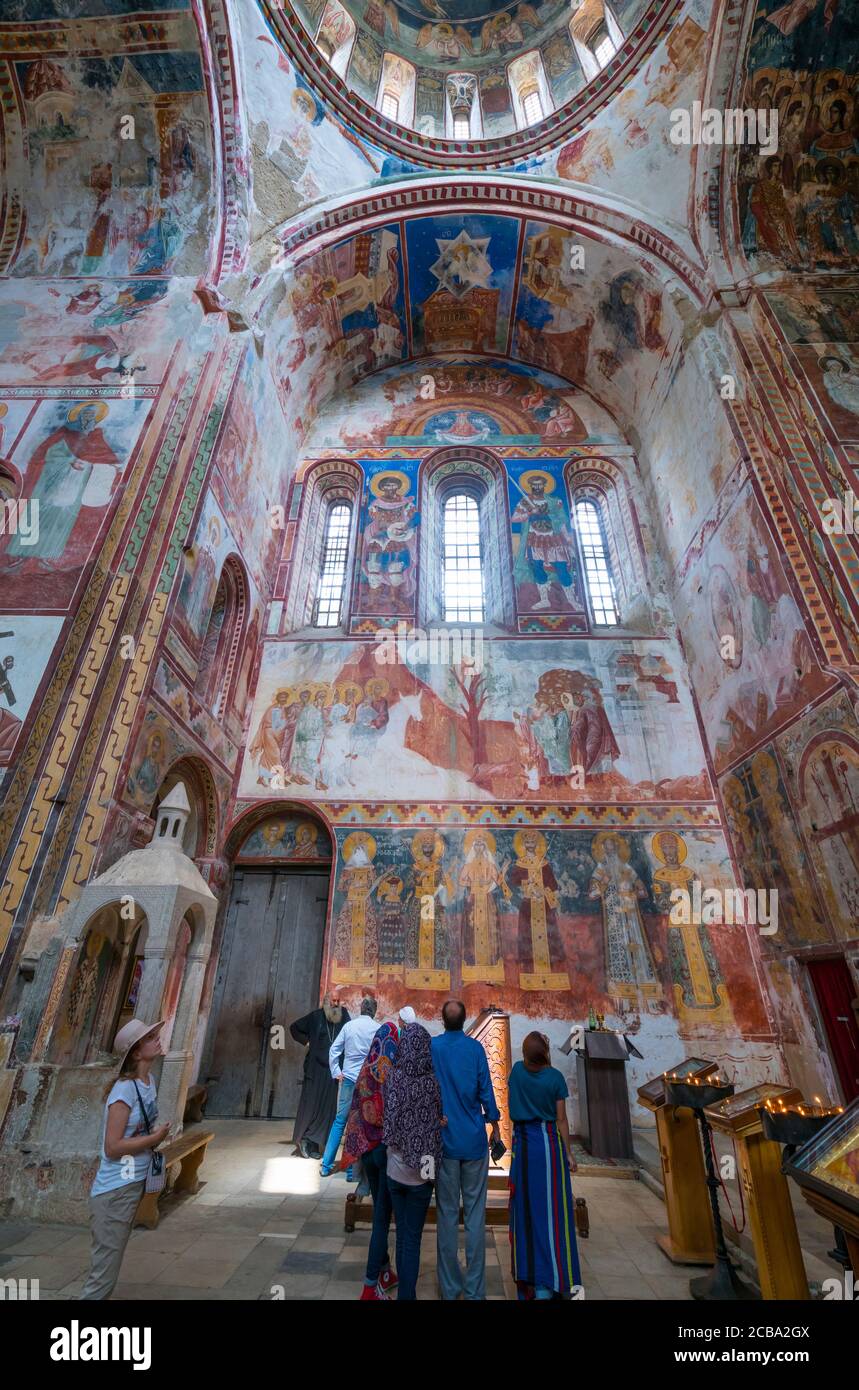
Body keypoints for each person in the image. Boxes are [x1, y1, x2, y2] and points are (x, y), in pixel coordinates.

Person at [79, 1018, 169, 1301]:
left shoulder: (148, 1081)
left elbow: (138, 1130)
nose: (157, 1039)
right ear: (136, 1052)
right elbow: (113, 1146)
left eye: (155, 1035)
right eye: (149, 1038)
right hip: (114, 1189)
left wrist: (153, 1135)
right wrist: (153, 1140)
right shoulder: (124, 1091)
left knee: (110, 1262)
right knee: (103, 1274)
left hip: (131, 1184)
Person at [340, 1005, 415, 1300]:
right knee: (383, 1218)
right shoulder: (394, 1076)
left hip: (367, 1149)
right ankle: (370, 1285)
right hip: (384, 1150)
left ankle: (384, 1270)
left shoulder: (367, 1073)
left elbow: (356, 1112)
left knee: (380, 1211)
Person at [431, 1000, 501, 1300]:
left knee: (446, 1215)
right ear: (464, 1021)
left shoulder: (433, 1048)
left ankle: (449, 1288)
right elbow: (486, 1090)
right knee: (475, 1217)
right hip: (473, 1141)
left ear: (443, 1021)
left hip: (445, 1142)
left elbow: (426, 1087)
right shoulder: (474, 1050)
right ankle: (474, 1291)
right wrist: (495, 1126)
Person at [508, 1031, 581, 1300]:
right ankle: (554, 1279)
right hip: (548, 1145)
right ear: (546, 1054)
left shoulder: (516, 1071)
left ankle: (531, 1279)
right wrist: (569, 1154)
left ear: (525, 1055)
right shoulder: (554, 1078)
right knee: (554, 1213)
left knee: (526, 1212)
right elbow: (562, 1120)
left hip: (523, 1147)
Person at [382, 1022, 445, 1301]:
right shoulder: (432, 1082)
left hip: (395, 1169)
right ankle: (407, 1295)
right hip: (422, 1172)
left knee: (400, 1233)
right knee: (413, 1238)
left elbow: (391, 1124)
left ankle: (405, 1295)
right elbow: (437, 1120)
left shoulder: (393, 1079)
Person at [320, 995, 379, 1175]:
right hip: (366, 1083)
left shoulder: (349, 1026)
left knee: (340, 1121)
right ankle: (352, 1171)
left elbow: (334, 1050)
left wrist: (336, 1071)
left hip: (348, 1080)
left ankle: (326, 1166)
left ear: (361, 1009)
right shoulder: (377, 1029)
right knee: (360, 1125)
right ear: (374, 1011)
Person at [290, 992, 351, 1158]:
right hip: (315, 1069)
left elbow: (350, 1035)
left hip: (332, 1070)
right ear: (325, 1002)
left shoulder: (344, 1016)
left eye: (338, 1001)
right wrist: (307, 1041)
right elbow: (294, 1028)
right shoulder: (315, 1017)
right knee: (311, 1105)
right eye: (333, 1002)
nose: (336, 1004)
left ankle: (315, 1144)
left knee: (327, 1108)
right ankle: (304, 1140)